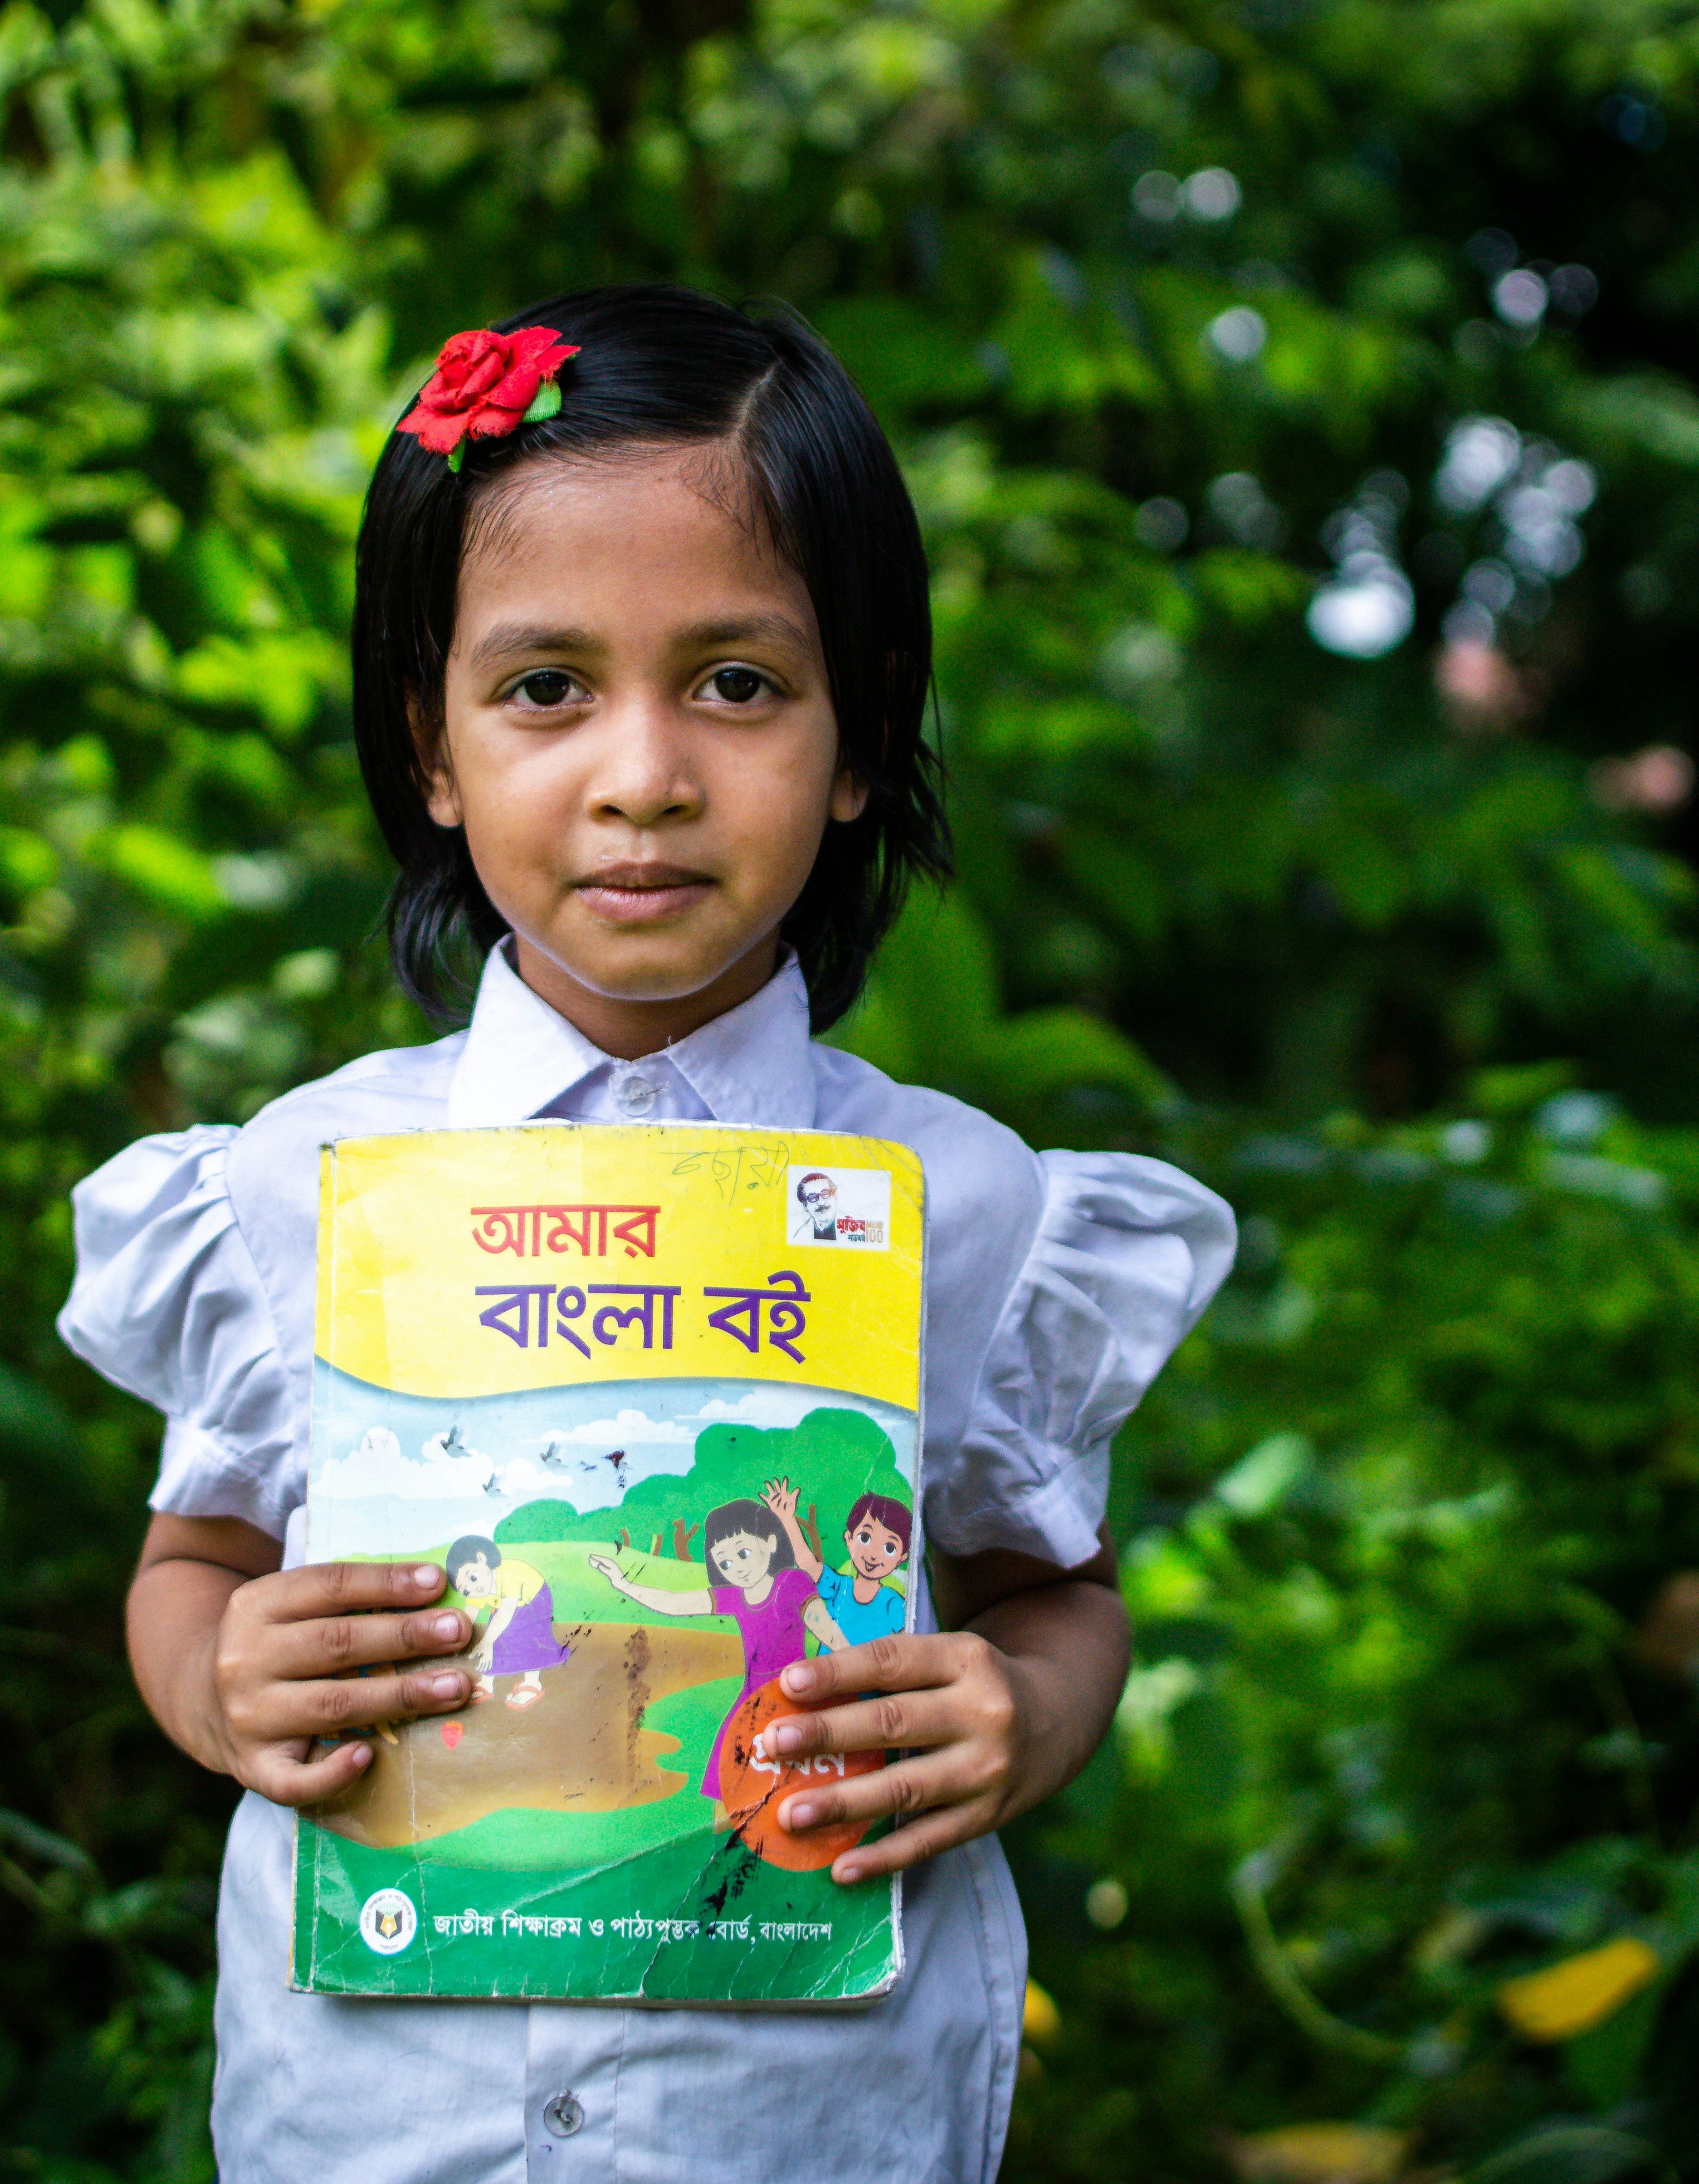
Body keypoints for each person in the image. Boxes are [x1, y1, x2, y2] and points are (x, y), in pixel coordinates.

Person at [61, 282, 1234, 2184]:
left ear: (857, 734)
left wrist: (1014, 1714)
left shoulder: (964, 1212)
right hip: (374, 2122)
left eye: (736, 682)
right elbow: (188, 1567)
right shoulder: (299, 1188)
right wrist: (218, 1683)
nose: (640, 775)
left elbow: (1054, 1593)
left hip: (804, 2125)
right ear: (430, 749)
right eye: (543, 689)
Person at [585, 1497, 818, 1795]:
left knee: (793, 1785)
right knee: (729, 1787)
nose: (736, 1568)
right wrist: (623, 1583)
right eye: (725, 1562)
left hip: (795, 1696)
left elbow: (827, 1630)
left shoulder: (792, 1583)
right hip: (749, 1704)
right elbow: (674, 1603)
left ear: (771, 1543)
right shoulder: (735, 1597)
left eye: (743, 1553)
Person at [765, 1478, 914, 1656]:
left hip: (867, 1681)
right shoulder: (837, 1586)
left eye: (889, 1548)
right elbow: (808, 1564)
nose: (873, 1555)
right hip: (827, 1678)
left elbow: (910, 1647)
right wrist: (787, 1520)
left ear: (902, 1558)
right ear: (849, 1539)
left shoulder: (891, 1602)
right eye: (865, 1538)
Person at [444, 1531, 568, 1705]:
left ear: (482, 1559)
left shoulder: (509, 1574)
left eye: (472, 1577)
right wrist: (455, 1641)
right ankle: (486, 1682)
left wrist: (487, 1642)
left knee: (525, 1637)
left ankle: (532, 1682)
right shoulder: (477, 1589)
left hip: (534, 1600)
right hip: (503, 1605)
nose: (473, 1588)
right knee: (493, 1634)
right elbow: (469, 1615)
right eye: (465, 1590)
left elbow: (507, 1612)